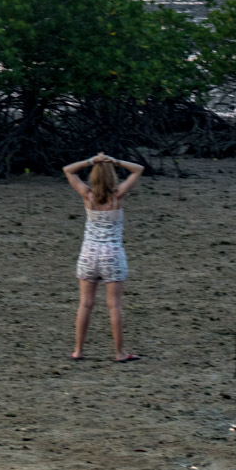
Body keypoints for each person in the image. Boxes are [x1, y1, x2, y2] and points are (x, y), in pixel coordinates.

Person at [62, 150, 142, 362]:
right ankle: (119, 353)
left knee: (85, 304)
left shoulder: (87, 195)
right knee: (114, 305)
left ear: (94, 177)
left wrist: (92, 161)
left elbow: (68, 170)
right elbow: (138, 169)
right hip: (112, 255)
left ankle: (78, 351)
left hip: (88, 254)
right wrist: (114, 161)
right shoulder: (117, 197)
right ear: (112, 177)